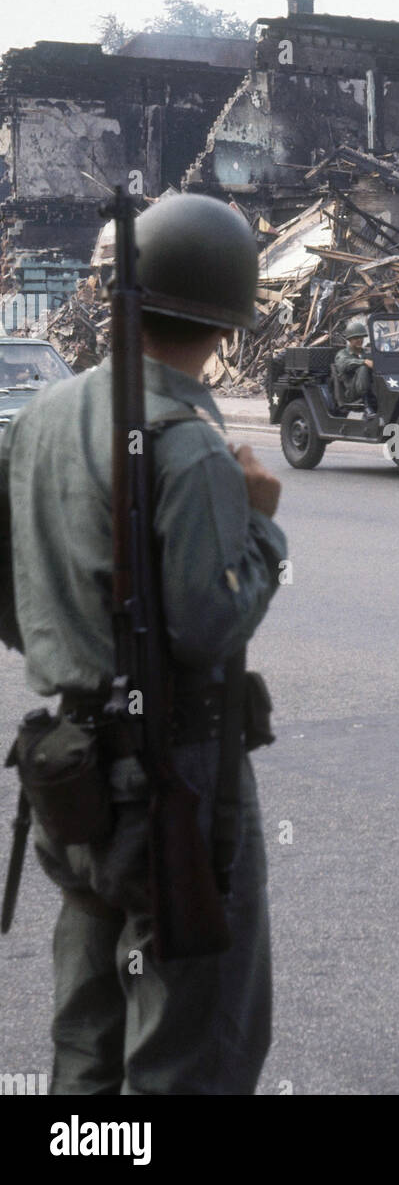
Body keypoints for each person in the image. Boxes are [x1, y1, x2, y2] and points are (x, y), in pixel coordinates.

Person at [0, 193, 286, 1095]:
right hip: (176, 772)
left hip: (72, 765)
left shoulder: (39, 422)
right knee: (191, 1039)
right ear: (227, 319)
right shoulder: (193, 449)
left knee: (86, 1026)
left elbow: (14, 600)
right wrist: (263, 530)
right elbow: (209, 623)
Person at [333, 317, 377, 413]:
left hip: (372, 389)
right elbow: (344, 365)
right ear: (349, 339)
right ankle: (366, 405)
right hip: (352, 392)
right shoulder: (342, 354)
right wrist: (363, 361)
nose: (359, 340)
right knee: (363, 368)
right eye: (356, 338)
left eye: (361, 337)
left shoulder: (366, 353)